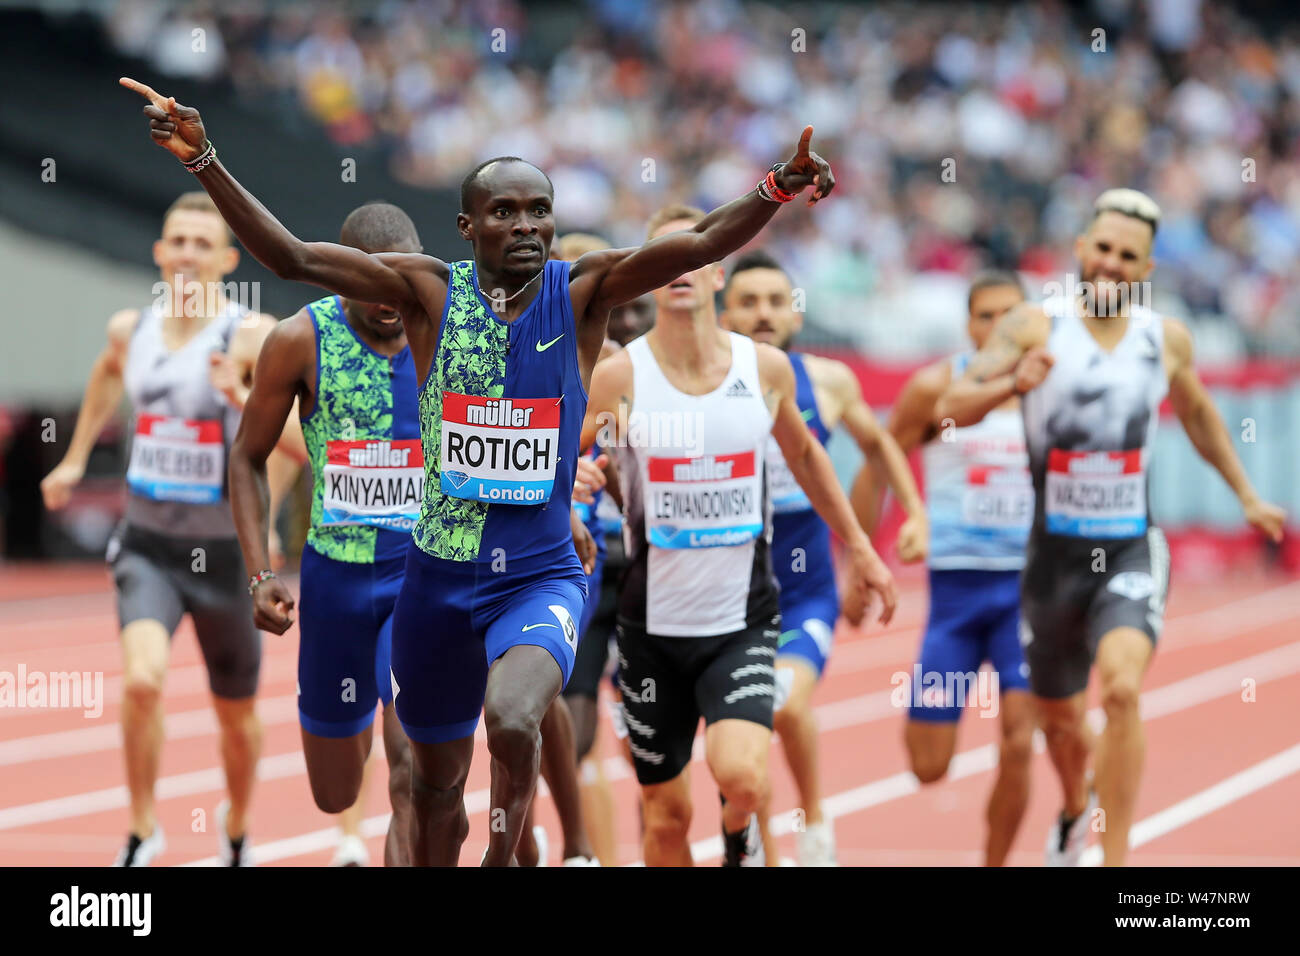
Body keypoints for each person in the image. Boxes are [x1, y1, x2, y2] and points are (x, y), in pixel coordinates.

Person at [122, 75, 837, 865]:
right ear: (467, 226)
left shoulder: (584, 291)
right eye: (505, 211)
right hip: (435, 577)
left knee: (515, 715)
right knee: (430, 795)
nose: (526, 225)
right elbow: (291, 257)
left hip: (538, 575)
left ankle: (509, 854)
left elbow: (699, 244)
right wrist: (205, 159)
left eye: (539, 210)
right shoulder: (427, 293)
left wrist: (776, 187)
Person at [937, 189, 1286, 866]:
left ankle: (1117, 859)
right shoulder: (1033, 328)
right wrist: (1011, 384)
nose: (1110, 263)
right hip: (1051, 560)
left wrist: (1246, 493)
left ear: (1146, 266)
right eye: (1102, 248)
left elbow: (1199, 414)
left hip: (1128, 544)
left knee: (1122, 689)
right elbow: (953, 405)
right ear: (1081, 250)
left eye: (1127, 255)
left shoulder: (1165, 339)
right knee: (1062, 723)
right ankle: (1074, 810)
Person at [579, 204, 898, 867]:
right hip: (651, 633)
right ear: (643, 276)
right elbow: (558, 465)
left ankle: (738, 840)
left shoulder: (765, 371)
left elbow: (808, 459)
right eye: (663, 259)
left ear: (716, 271)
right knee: (666, 818)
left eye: (694, 256)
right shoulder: (621, 377)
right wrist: (566, 494)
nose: (680, 270)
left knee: (744, 777)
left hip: (742, 622)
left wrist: (862, 551)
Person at [41, 191, 283, 866]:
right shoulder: (131, 330)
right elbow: (106, 375)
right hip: (147, 545)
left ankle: (235, 825)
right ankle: (144, 828)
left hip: (225, 557)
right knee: (142, 681)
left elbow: (291, 436)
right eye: (177, 241)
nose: (186, 254)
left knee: (235, 715)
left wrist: (268, 519)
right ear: (158, 251)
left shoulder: (251, 335)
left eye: (202, 244)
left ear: (228, 260)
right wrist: (75, 457)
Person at [228, 201, 421, 867]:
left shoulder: (449, 332)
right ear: (338, 280)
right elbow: (247, 457)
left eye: (400, 280)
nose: (389, 298)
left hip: (424, 580)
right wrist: (259, 573)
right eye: (369, 283)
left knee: (413, 769)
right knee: (335, 793)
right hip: (335, 585)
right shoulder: (299, 340)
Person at [719, 249, 928, 867]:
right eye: (749, 302)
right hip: (723, 593)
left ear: (795, 314)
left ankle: (814, 817)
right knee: (747, 726)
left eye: (775, 302)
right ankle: (762, 848)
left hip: (804, 590)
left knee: (781, 701)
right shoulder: (699, 386)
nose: (762, 314)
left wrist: (914, 513)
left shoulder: (829, 383)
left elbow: (880, 443)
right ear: (724, 311)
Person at [866, 270, 1036, 867]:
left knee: (1020, 741)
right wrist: (872, 546)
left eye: (1012, 315)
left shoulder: (1050, 386)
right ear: (969, 324)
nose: (999, 327)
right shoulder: (936, 387)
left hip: (1027, 594)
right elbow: (880, 455)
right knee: (928, 766)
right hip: (956, 599)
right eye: (987, 316)